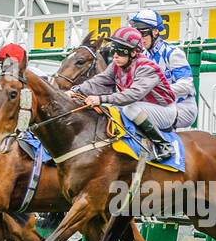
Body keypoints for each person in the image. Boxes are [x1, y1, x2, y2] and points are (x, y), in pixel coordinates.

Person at [67, 26, 177, 161]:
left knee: (129, 108)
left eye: (120, 50)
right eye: (114, 49)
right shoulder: (116, 66)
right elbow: (97, 82)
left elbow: (132, 96)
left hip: (165, 110)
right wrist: (73, 92)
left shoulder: (147, 67)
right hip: (143, 107)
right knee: (111, 108)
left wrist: (100, 99)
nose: (115, 55)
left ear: (133, 52)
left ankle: (164, 145)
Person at [128, 10, 196, 129]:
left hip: (182, 107)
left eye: (143, 34)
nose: (140, 39)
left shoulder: (173, 53)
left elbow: (187, 85)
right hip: (159, 106)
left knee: (133, 110)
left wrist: (155, 92)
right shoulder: (141, 57)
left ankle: (165, 146)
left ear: (155, 32)